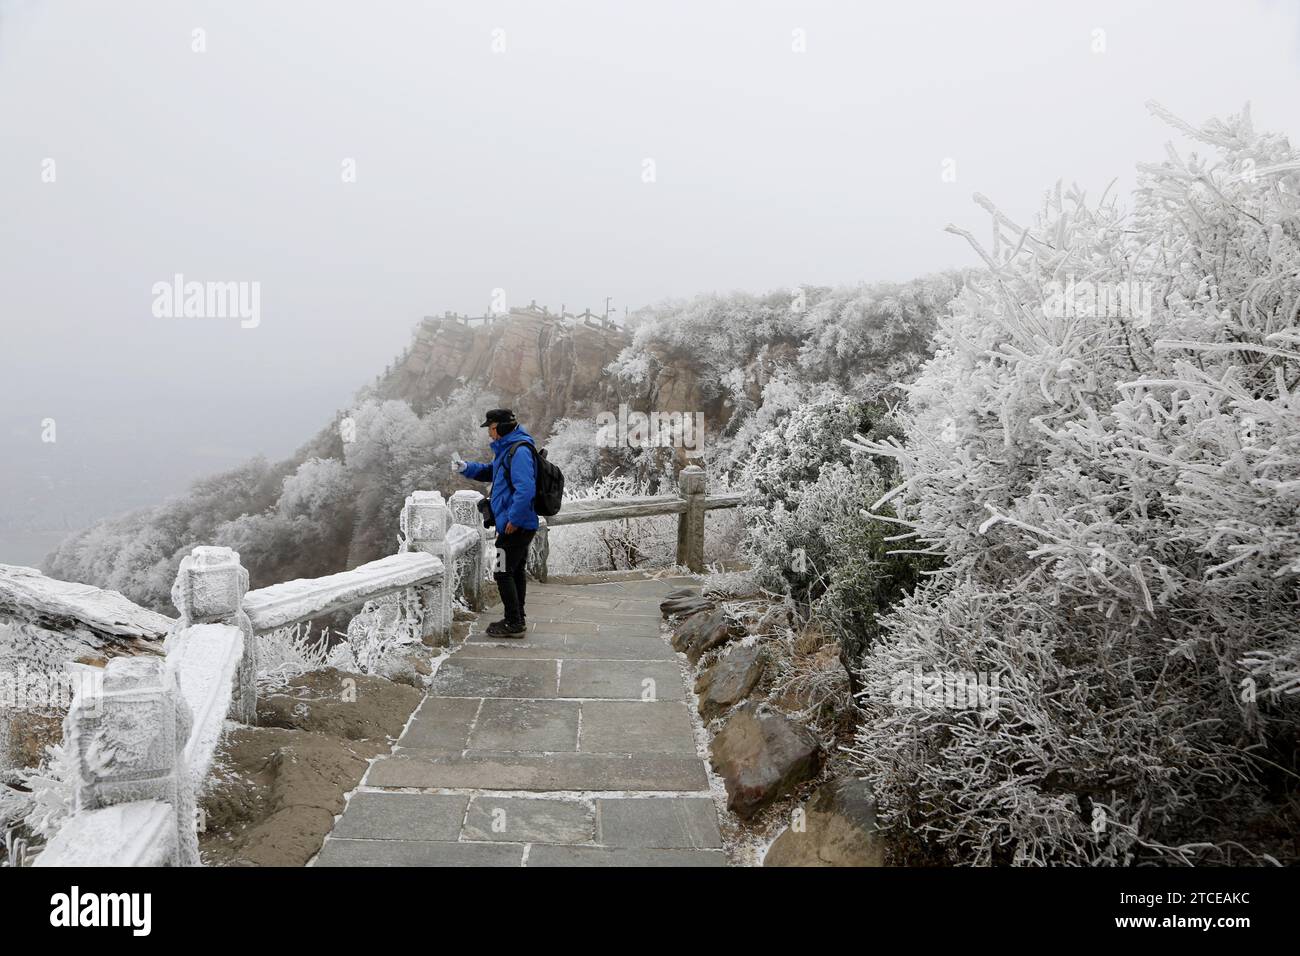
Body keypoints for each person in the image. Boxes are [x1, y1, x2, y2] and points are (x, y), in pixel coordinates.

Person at [452, 408, 538, 637]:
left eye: (490, 428)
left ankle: (513, 622)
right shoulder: (508, 450)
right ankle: (517, 617)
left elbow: (526, 488)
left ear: (500, 427)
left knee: (501, 571)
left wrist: (514, 519)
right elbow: (494, 472)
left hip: (516, 525)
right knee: (515, 569)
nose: (489, 434)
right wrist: (467, 468)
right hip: (518, 524)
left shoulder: (518, 451)